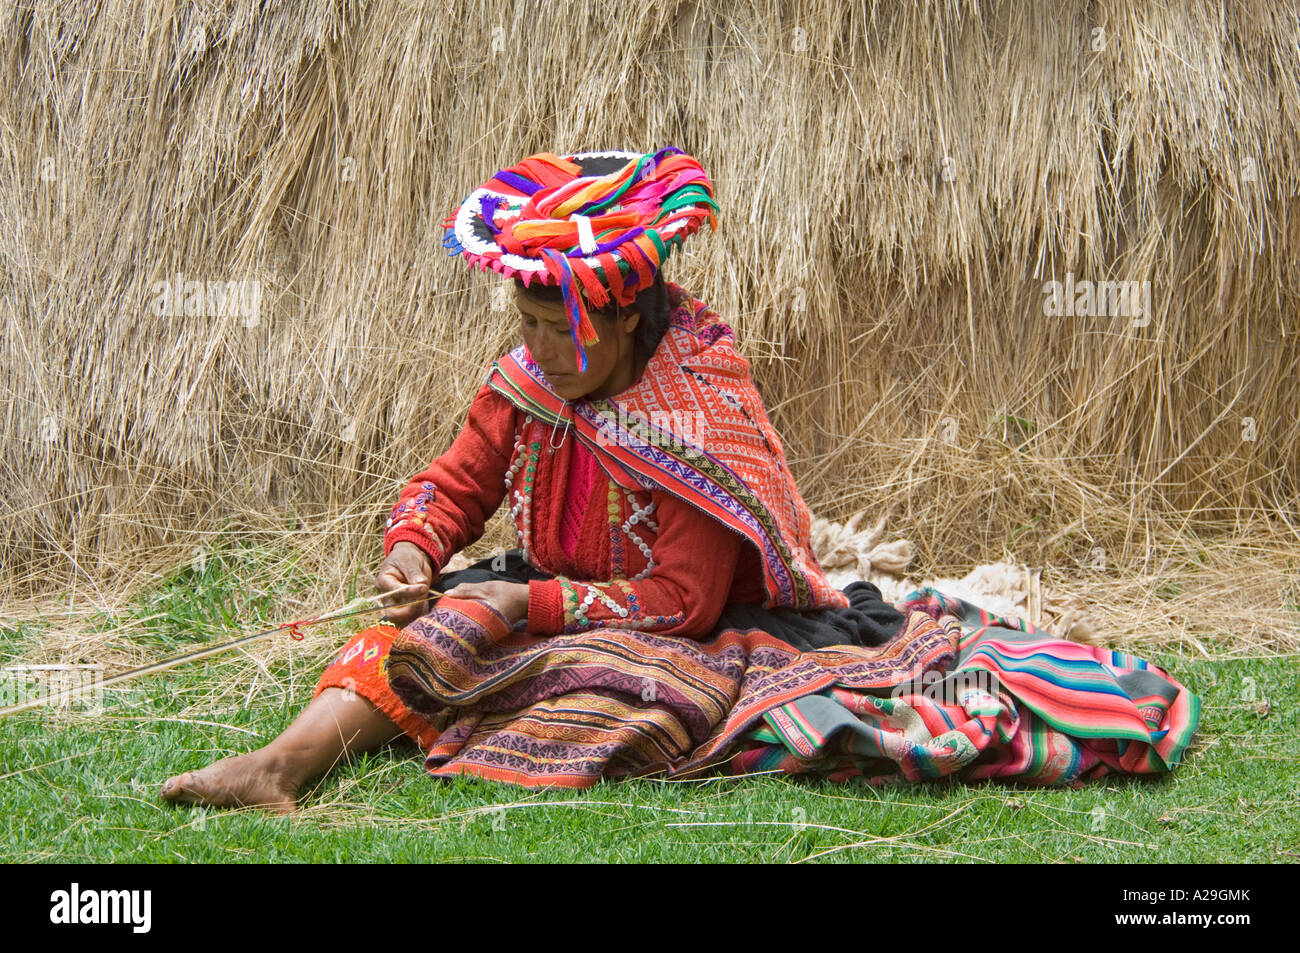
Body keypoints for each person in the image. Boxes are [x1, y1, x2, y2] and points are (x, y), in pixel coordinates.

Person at [162, 148, 1198, 812]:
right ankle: (278, 765)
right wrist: (414, 545)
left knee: (583, 678)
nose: (538, 350)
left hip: (696, 628)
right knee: (428, 627)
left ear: (623, 317)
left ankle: (336, 742)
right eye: (524, 325)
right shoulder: (532, 379)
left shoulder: (696, 408)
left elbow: (686, 598)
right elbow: (457, 479)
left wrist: (525, 599)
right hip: (557, 591)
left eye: (559, 329)